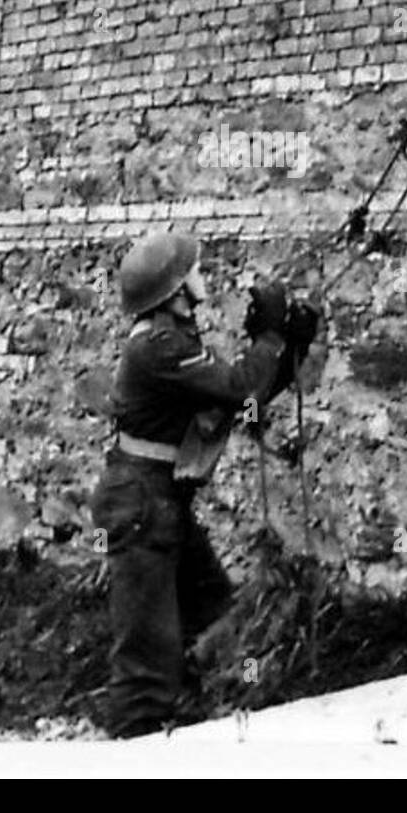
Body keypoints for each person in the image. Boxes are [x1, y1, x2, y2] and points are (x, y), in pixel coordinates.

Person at [90, 230, 318, 738]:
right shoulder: (158, 346)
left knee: (210, 609)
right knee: (145, 660)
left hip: (156, 501)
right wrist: (272, 337)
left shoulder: (172, 344)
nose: (202, 276)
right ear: (174, 290)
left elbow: (241, 398)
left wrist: (288, 349)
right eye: (192, 270)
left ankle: (181, 722)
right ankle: (136, 738)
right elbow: (240, 386)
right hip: (140, 503)